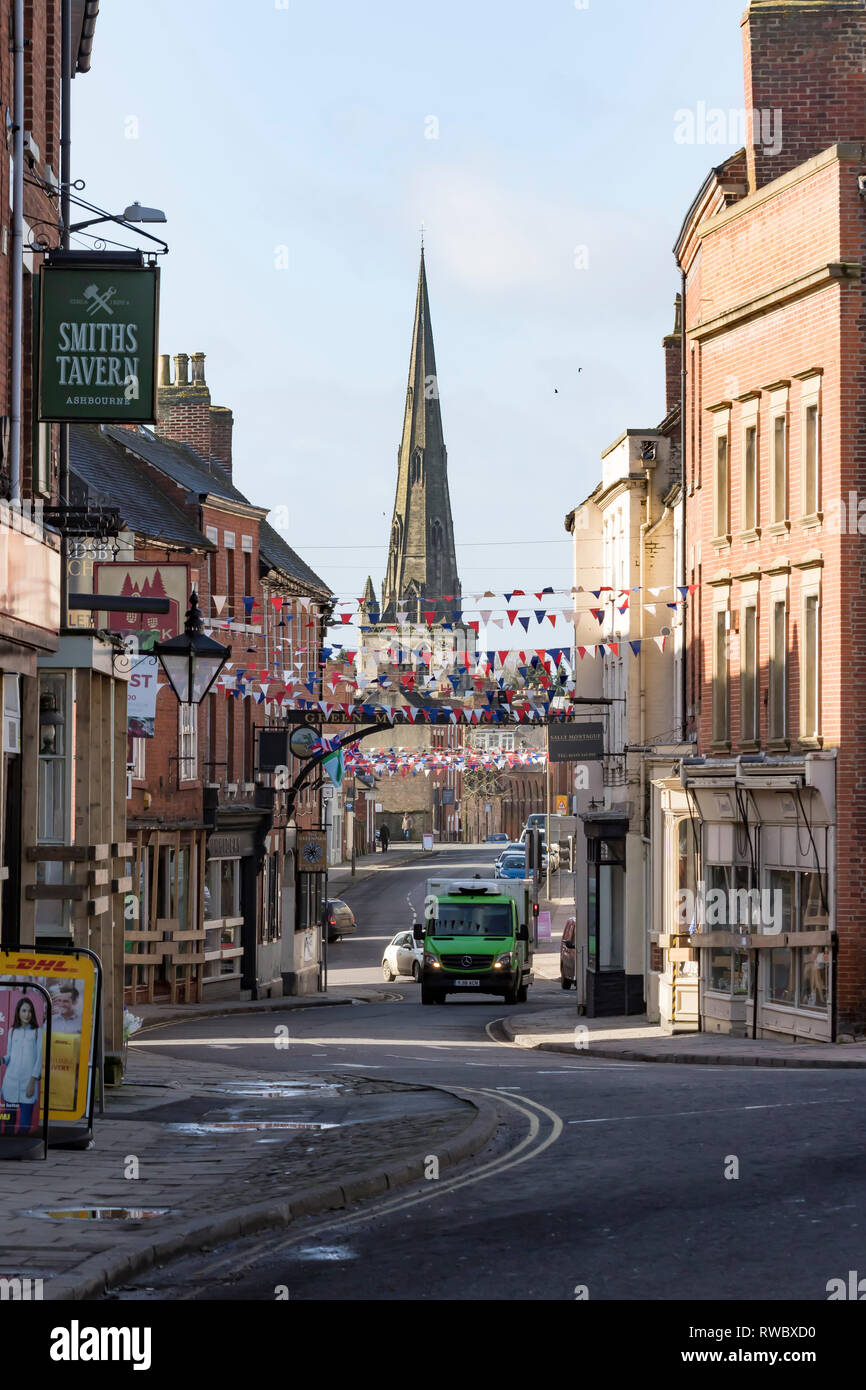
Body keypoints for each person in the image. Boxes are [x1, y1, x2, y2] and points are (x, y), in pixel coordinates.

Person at [1, 996, 43, 1133]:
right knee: (8, 1123)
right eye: (24, 1011)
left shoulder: (37, 1032)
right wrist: (2, 1060)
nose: (27, 1014)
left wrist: (32, 1082)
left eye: (30, 1011)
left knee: (25, 1125)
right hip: (10, 1083)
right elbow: (9, 1057)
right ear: (18, 1012)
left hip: (27, 1084)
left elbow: (38, 1060)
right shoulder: (12, 1031)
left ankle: (21, 1150)